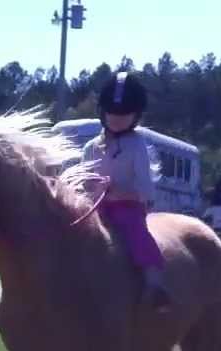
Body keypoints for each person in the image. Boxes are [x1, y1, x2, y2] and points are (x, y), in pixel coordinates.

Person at [82, 71, 171, 311]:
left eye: (124, 115)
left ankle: (154, 284)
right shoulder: (91, 147)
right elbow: (84, 180)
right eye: (112, 113)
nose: (117, 119)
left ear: (136, 116)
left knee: (136, 232)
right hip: (94, 206)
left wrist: (117, 193)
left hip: (127, 206)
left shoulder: (137, 145)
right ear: (103, 112)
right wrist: (91, 190)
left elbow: (144, 189)